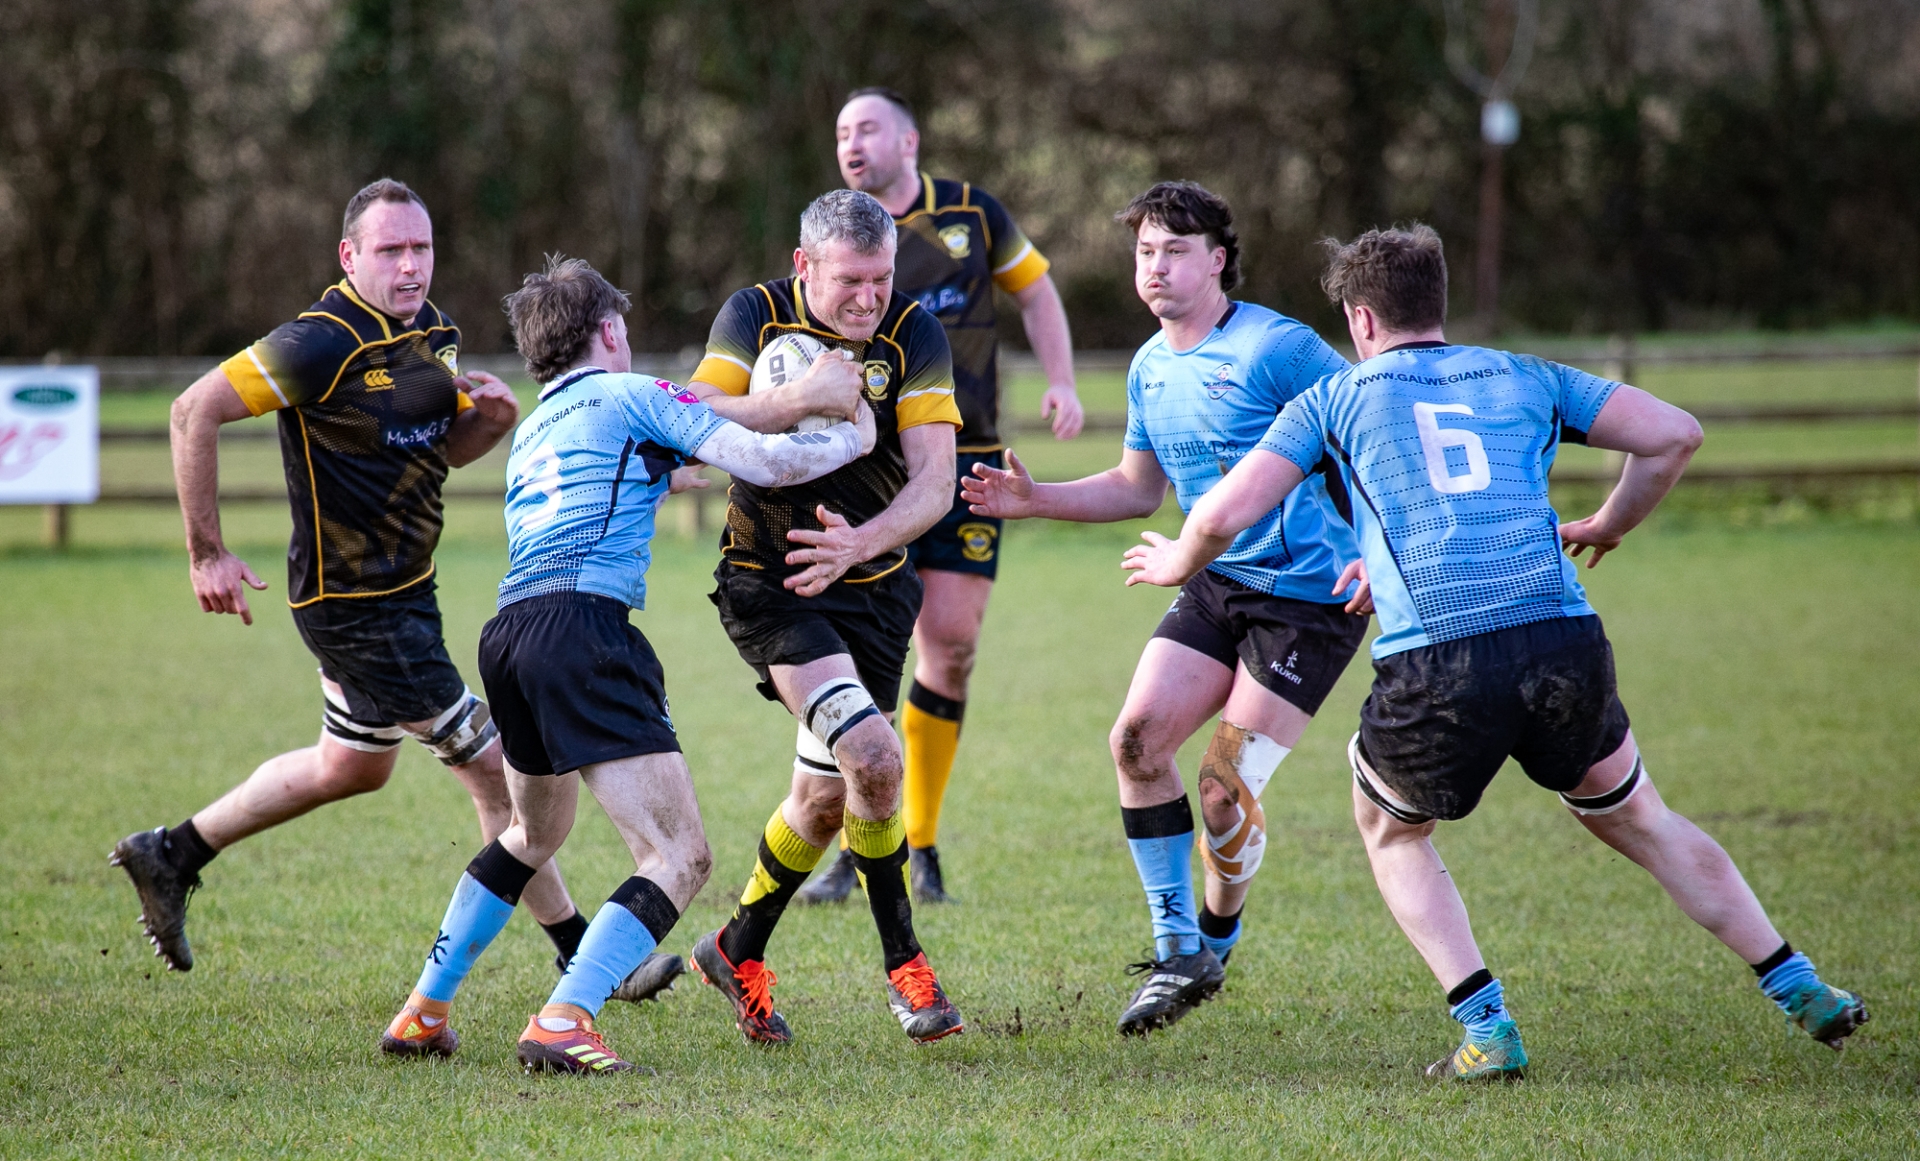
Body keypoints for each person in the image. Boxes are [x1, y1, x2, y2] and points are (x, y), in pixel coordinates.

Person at [1120, 224, 1870, 1079]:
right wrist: (1610, 524)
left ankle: (1487, 1028)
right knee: (1641, 818)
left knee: (1391, 831)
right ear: (1436, 303)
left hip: (1442, 659)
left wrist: (1178, 558)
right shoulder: (1525, 373)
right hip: (1563, 640)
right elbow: (1674, 433)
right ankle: (1800, 983)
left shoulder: (1336, 398)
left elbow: (1221, 511)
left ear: (1361, 320)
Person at [109, 179, 640, 994]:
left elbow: (439, 450)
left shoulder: (436, 332)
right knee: (497, 769)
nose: (410, 265)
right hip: (351, 605)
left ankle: (169, 852)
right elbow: (192, 412)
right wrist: (205, 552)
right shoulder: (319, 342)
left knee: (352, 765)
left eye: (421, 248)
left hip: (409, 594)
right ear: (349, 256)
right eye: (390, 250)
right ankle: (579, 948)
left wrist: (489, 426)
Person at [379, 256, 876, 1072]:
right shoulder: (629, 391)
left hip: (509, 633)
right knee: (681, 856)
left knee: (530, 832)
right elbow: (768, 464)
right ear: (609, 331)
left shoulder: (544, 422)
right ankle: (563, 1017)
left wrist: (772, 416)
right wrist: (851, 429)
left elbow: (673, 464)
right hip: (584, 630)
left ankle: (422, 1011)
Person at [961, 182, 1364, 1035]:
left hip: (1312, 598)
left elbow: (1371, 432)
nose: (1156, 266)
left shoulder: (1279, 347)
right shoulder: (1150, 364)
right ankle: (1179, 948)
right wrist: (1036, 502)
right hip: (1216, 580)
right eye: (1145, 251)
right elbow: (1140, 488)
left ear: (1218, 259)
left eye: (1175, 250)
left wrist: (1378, 544)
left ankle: (1216, 934)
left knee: (1221, 792)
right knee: (1136, 742)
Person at [682, 188, 965, 1045]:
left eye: (881, 279)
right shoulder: (753, 318)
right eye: (850, 281)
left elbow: (934, 481)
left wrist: (862, 542)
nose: (869, 299)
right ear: (805, 266)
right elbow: (685, 415)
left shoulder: (912, 333)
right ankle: (907, 972)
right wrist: (788, 399)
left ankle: (735, 950)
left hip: (875, 590)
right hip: (772, 585)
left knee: (821, 800)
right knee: (876, 759)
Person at [795, 87, 1085, 905]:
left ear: (909, 139)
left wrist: (1061, 379)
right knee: (860, 652)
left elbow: (1037, 292)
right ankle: (859, 839)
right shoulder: (834, 230)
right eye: (842, 128)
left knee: (950, 643)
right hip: (865, 467)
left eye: (867, 127)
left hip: (971, 461)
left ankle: (920, 838)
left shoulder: (972, 213)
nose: (851, 141)